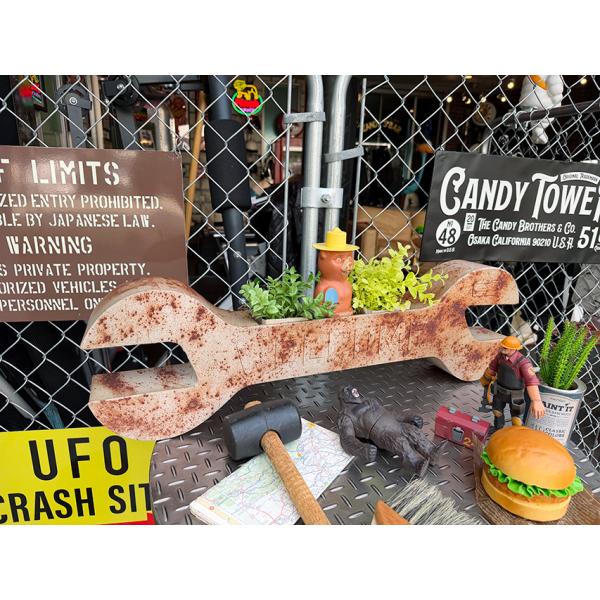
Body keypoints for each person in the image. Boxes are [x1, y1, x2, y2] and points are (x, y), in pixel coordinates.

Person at [480, 336, 545, 431]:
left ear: (513, 349)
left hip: (516, 396)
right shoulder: (500, 357)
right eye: (502, 346)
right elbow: (492, 369)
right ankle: (497, 429)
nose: (502, 349)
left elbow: (531, 382)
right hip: (499, 391)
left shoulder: (523, 363)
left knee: (516, 419)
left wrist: (536, 401)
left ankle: (516, 434)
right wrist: (485, 379)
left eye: (505, 348)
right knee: (497, 412)